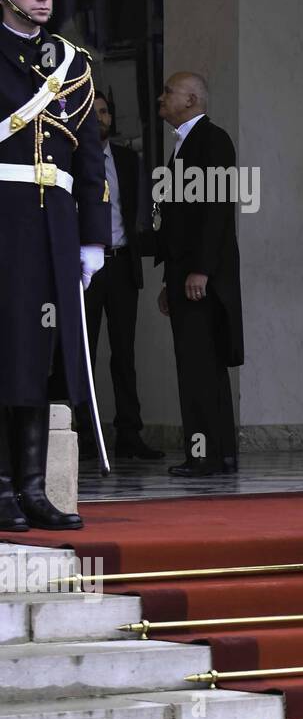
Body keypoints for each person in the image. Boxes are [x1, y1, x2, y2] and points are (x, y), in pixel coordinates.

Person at [0, 0, 106, 532]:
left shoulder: (72, 64)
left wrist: (93, 238)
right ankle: (2, 489)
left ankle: (33, 488)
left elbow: (89, 159)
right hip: (2, 219)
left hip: (51, 227)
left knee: (40, 356)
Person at [153, 71, 244, 477]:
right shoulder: (183, 144)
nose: (161, 98)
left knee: (199, 368)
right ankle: (219, 453)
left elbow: (216, 211)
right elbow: (178, 223)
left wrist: (200, 271)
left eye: (169, 92)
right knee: (201, 366)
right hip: (184, 276)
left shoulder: (213, 140)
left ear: (190, 99)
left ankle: (205, 454)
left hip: (201, 279)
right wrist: (167, 279)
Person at [76, 93, 164, 462]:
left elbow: (140, 211)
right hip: (84, 269)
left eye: (106, 111)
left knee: (124, 354)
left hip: (123, 263)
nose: (101, 117)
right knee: (84, 353)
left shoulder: (128, 160)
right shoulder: (71, 157)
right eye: (94, 111)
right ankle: (82, 435)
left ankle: (130, 433)